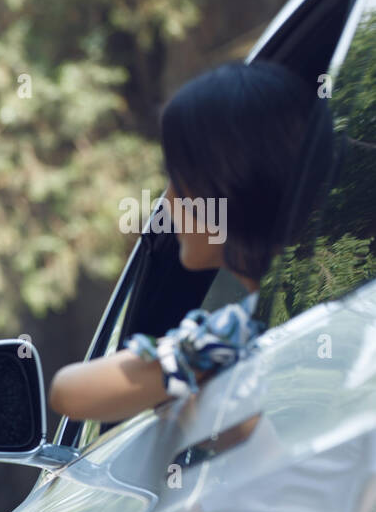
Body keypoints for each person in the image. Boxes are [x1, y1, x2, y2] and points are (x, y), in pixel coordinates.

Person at [49, 60, 328, 422]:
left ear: (224, 188)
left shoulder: (237, 333)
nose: (164, 205)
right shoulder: (325, 294)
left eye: (177, 181)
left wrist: (191, 356)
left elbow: (68, 393)